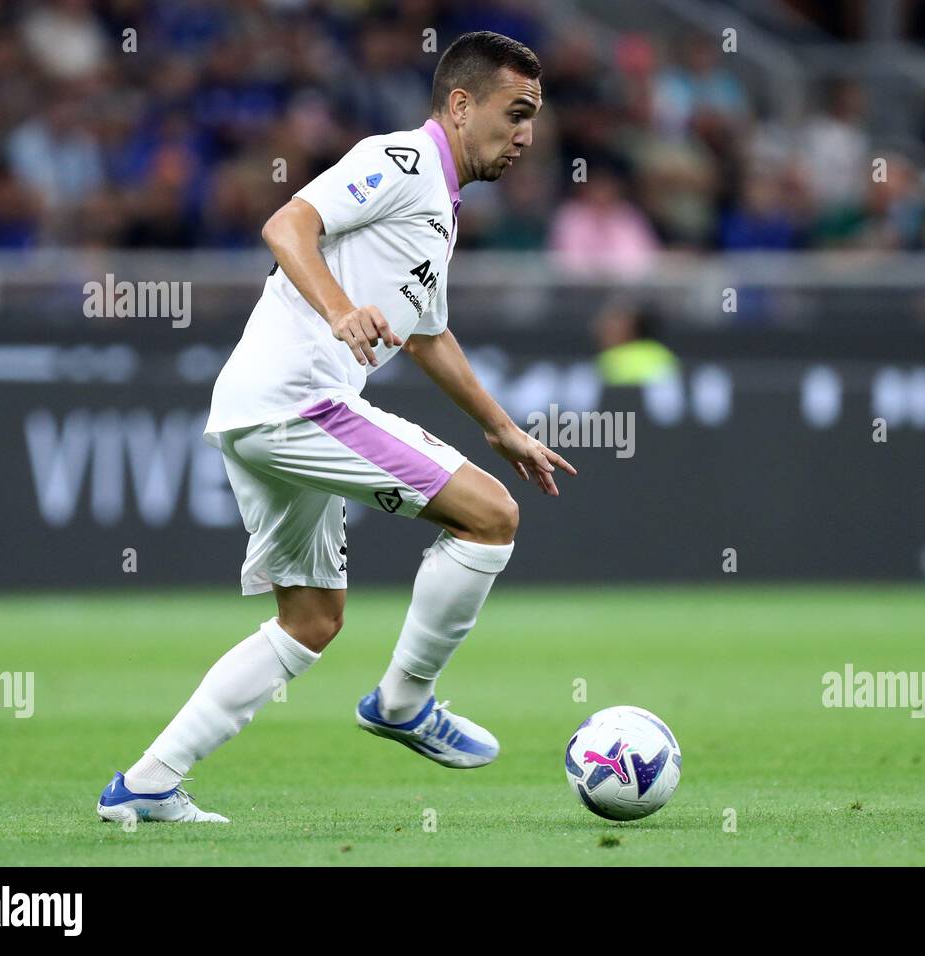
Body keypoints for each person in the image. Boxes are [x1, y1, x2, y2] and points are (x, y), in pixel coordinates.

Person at [96, 31, 575, 824]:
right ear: (460, 105)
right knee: (491, 518)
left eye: (535, 118)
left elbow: (426, 334)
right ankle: (404, 700)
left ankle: (146, 782)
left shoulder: (440, 207)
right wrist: (341, 310)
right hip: (299, 400)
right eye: (514, 112)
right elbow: (288, 226)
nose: (527, 134)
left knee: (310, 619)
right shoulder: (404, 161)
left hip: (257, 411)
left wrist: (501, 427)